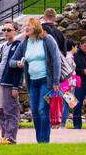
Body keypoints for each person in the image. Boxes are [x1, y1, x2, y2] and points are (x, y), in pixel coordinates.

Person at [13, 16, 63, 144]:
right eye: (25, 26)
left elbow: (57, 60)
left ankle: (44, 140)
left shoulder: (47, 40)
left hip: (46, 81)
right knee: (35, 111)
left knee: (42, 109)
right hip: (32, 82)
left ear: (36, 26)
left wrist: (56, 81)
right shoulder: (24, 43)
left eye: (29, 25)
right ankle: (39, 140)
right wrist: (17, 63)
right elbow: (11, 61)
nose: (26, 28)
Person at [0, 21, 24, 143]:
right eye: (4, 30)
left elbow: (19, 69)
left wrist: (15, 87)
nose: (5, 32)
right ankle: (4, 137)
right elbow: (1, 64)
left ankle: (10, 139)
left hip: (10, 83)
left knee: (10, 110)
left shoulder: (18, 46)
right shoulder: (3, 46)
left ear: (16, 32)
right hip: (1, 82)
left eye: (8, 30)